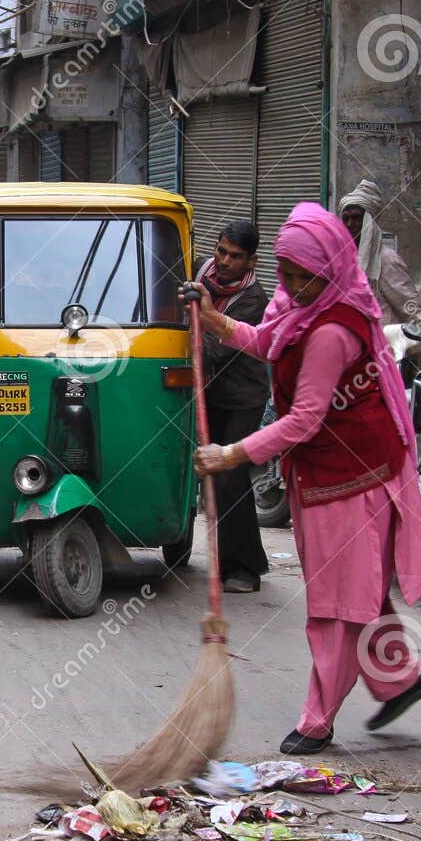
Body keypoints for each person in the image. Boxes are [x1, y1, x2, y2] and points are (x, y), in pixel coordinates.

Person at [185, 202, 421, 756]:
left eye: (308, 278)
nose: (295, 287)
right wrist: (215, 319)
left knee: (332, 605)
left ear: (333, 272)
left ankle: (317, 720)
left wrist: (229, 455)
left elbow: (303, 420)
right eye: (288, 274)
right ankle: (401, 676)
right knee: (358, 591)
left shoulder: (330, 331)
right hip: (334, 469)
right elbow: (269, 341)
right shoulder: (301, 310)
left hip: (350, 476)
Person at [195, 220, 271, 593]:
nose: (224, 261)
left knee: (230, 476)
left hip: (243, 396)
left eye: (235, 256)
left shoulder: (254, 300)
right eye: (221, 251)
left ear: (251, 260)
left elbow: (216, 350)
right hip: (211, 391)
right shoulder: (199, 273)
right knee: (206, 471)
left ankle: (245, 568)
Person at [338, 179, 421, 325]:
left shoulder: (386, 260)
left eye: (356, 218)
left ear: (368, 222)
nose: (350, 225)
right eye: (346, 218)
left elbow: (412, 311)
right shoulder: (344, 260)